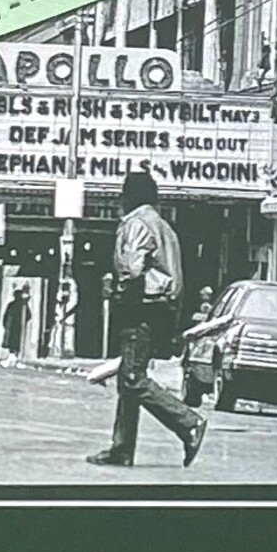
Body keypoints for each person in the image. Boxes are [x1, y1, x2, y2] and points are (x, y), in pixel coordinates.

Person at [88, 167, 207, 469]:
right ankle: (122, 448)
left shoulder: (137, 223)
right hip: (161, 310)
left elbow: (131, 268)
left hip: (141, 309)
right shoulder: (163, 225)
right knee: (129, 380)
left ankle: (188, 423)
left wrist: (115, 287)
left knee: (132, 378)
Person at [0, 284, 31, 368]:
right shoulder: (12, 305)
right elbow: (6, 316)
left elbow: (28, 316)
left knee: (17, 341)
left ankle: (16, 357)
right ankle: (12, 356)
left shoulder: (23, 305)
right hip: (11, 327)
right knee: (11, 341)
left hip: (18, 327)